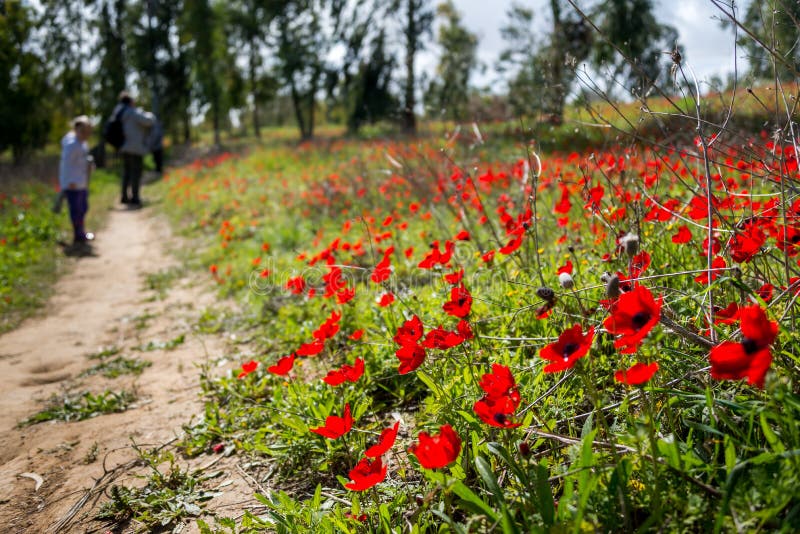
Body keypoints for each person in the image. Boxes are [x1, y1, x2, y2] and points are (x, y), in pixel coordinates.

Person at [112, 91, 154, 207]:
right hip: (135, 148)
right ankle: (135, 197)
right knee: (136, 173)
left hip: (123, 147)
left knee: (126, 172)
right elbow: (149, 121)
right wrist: (145, 112)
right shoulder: (132, 112)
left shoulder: (118, 113)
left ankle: (124, 197)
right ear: (130, 101)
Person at [59, 116, 95, 246]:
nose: (87, 134)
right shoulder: (71, 145)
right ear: (77, 130)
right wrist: (69, 182)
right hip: (73, 183)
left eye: (89, 131)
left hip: (82, 182)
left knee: (83, 208)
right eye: (85, 131)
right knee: (76, 210)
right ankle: (78, 235)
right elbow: (66, 166)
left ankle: (81, 232)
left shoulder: (82, 143)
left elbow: (83, 160)